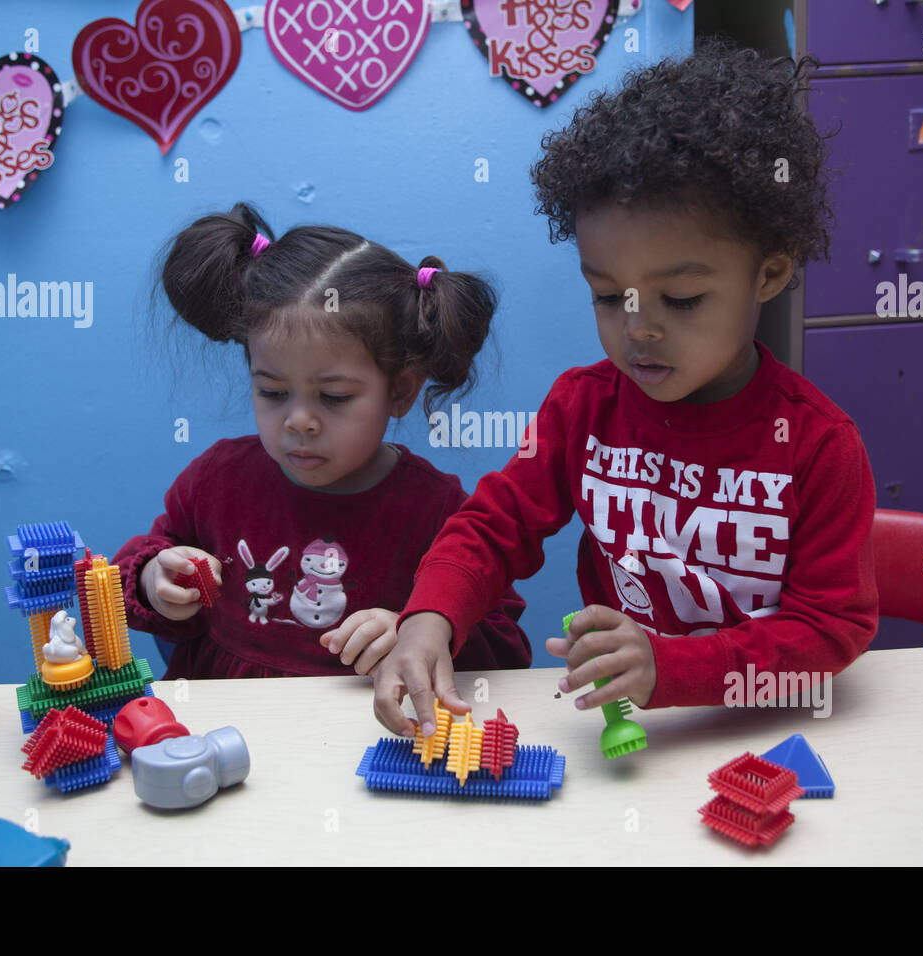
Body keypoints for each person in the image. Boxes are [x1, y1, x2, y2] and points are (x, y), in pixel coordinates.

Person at [374, 40, 878, 737]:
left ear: (768, 273)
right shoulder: (583, 409)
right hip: (632, 737)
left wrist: (674, 665)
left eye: (682, 299)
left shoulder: (819, 445)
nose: (639, 329)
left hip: (771, 731)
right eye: (609, 297)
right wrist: (428, 621)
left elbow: (828, 631)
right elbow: (493, 528)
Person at [113, 202, 530, 680]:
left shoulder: (438, 512)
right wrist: (153, 579)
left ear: (400, 390)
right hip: (219, 733)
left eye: (333, 397)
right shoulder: (215, 481)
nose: (300, 421)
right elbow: (134, 568)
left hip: (367, 740)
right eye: (272, 391)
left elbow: (507, 645)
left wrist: (420, 632)